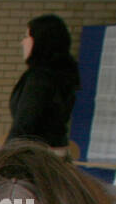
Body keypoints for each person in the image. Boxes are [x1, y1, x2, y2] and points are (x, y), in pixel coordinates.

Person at [7, 14, 80, 153]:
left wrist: (5, 156)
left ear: (40, 40)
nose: (23, 42)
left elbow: (25, 123)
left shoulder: (40, 77)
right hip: (53, 154)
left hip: (37, 156)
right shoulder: (61, 74)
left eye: (27, 36)